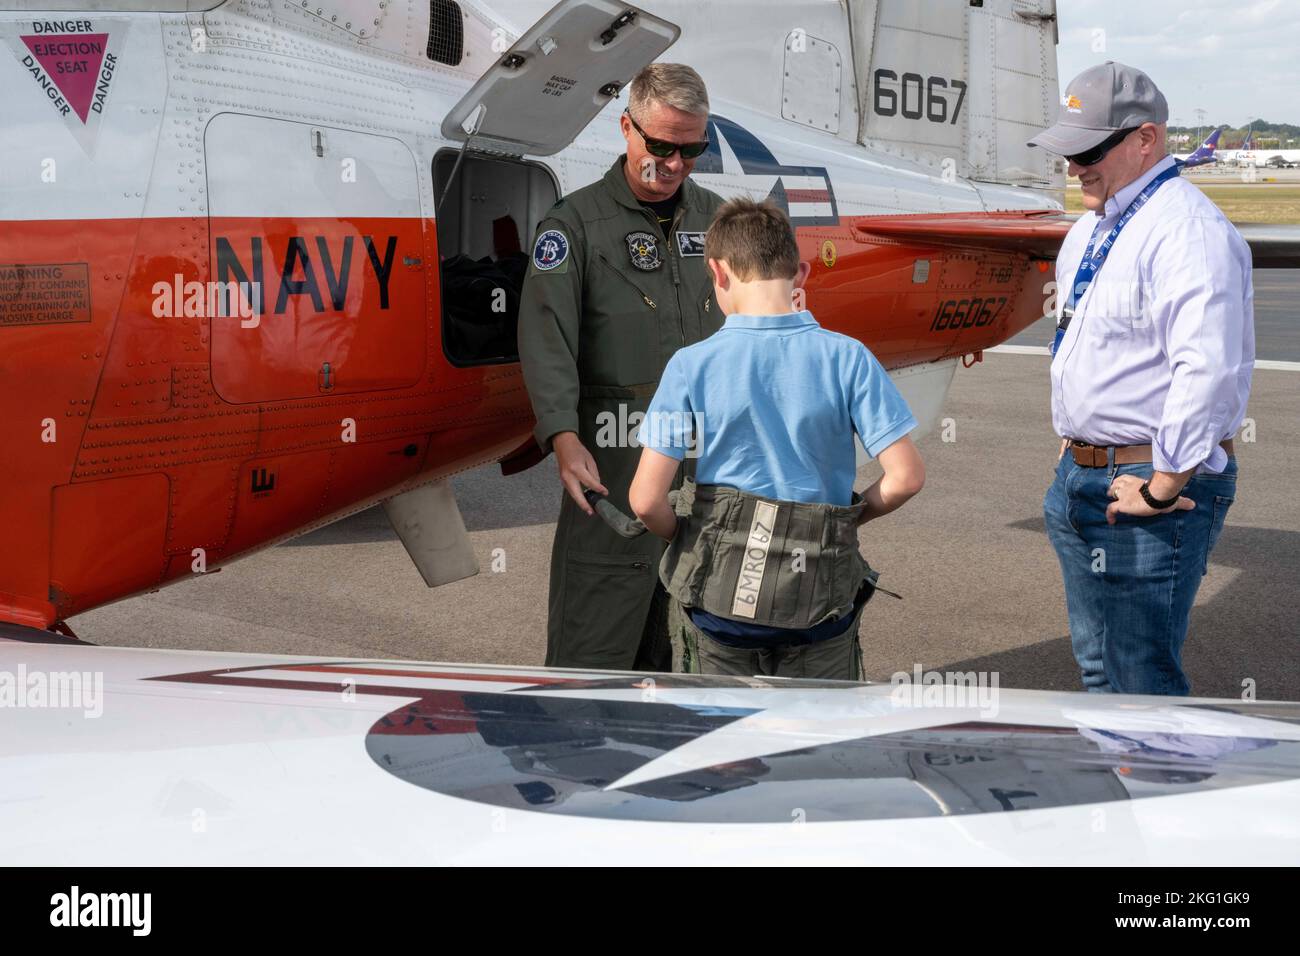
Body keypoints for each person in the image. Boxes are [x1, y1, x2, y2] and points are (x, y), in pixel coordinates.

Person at [1028, 61, 1254, 695]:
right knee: (1102, 669)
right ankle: (1119, 790)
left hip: (1148, 487)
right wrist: (1076, 452)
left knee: (1139, 683)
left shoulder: (1188, 231)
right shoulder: (1089, 230)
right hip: (1085, 476)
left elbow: (1206, 370)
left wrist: (1160, 486)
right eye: (1068, 152)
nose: (1074, 167)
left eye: (1090, 149)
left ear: (1146, 140)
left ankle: (1160, 792)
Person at [627, 198, 925, 680]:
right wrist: (844, 523)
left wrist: (692, 536)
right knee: (815, 744)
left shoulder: (690, 365)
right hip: (818, 602)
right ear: (801, 273)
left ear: (718, 274)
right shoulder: (848, 358)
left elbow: (644, 500)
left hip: (720, 601)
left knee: (721, 743)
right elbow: (906, 477)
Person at [518, 64, 725, 671]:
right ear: (626, 127)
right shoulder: (575, 225)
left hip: (707, 474)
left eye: (692, 149)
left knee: (704, 661)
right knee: (595, 662)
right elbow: (546, 336)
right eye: (661, 145)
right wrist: (561, 434)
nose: (675, 162)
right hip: (613, 465)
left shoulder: (719, 222)